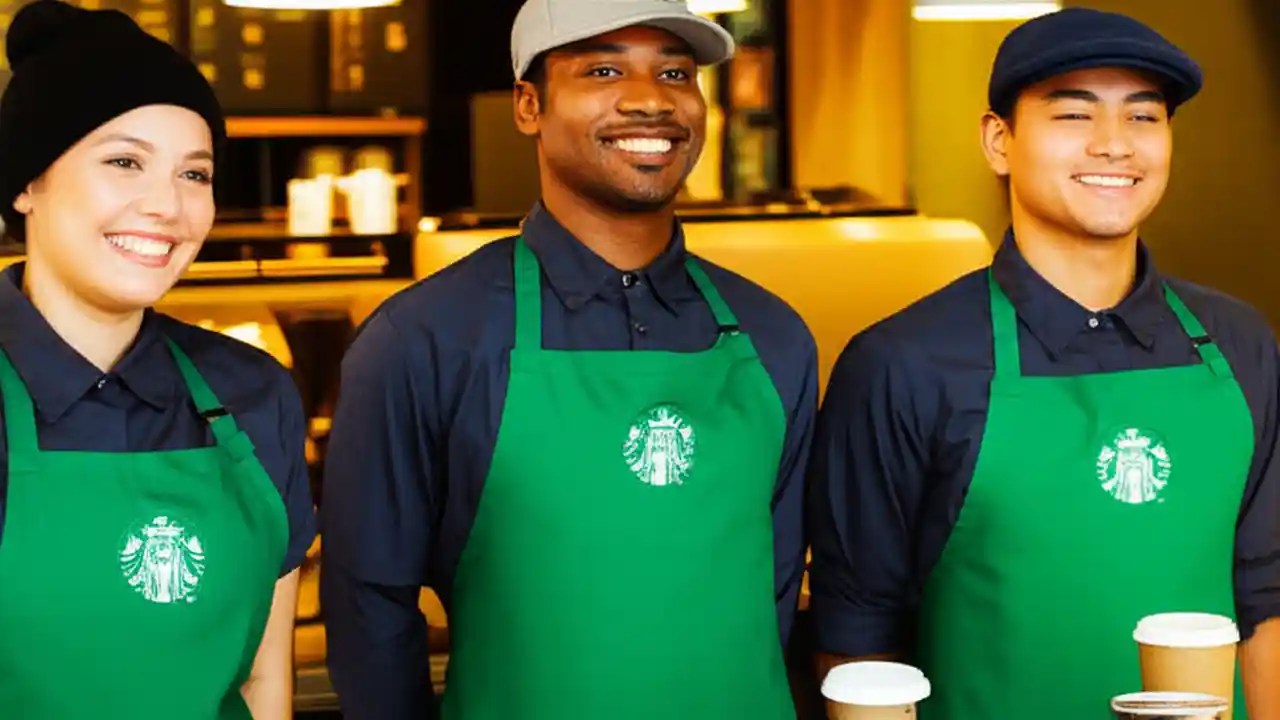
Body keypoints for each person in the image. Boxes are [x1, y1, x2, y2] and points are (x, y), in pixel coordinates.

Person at [319, 0, 817, 717]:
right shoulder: (423, 339)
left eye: (675, 72)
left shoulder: (775, 337)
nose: (650, 99)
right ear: (528, 104)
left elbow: (771, 591)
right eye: (605, 68)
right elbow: (371, 614)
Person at [807, 8, 1280, 720]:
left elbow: (1267, 602)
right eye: (1073, 116)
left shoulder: (1241, 343)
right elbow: (857, 641)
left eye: (1144, 118)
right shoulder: (901, 364)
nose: (1114, 145)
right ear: (999, 141)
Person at [0, 2, 316, 718]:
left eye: (195, 175)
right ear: (26, 184)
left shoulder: (254, 393)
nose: (167, 207)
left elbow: (265, 681)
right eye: (124, 162)